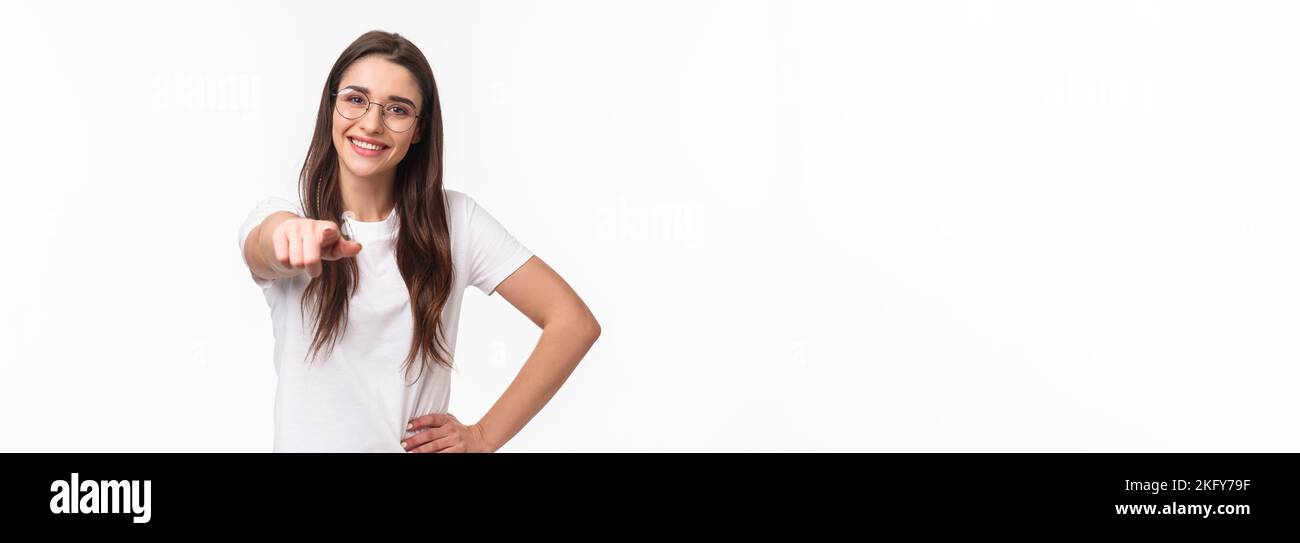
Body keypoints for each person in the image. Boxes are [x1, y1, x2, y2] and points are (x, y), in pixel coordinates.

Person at [237, 30, 600, 452]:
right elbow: (264, 248)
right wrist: (288, 235)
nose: (371, 123)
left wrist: (483, 436)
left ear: (418, 130)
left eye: (397, 109)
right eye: (356, 99)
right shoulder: (288, 216)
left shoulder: (455, 222)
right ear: (331, 107)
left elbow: (573, 323)